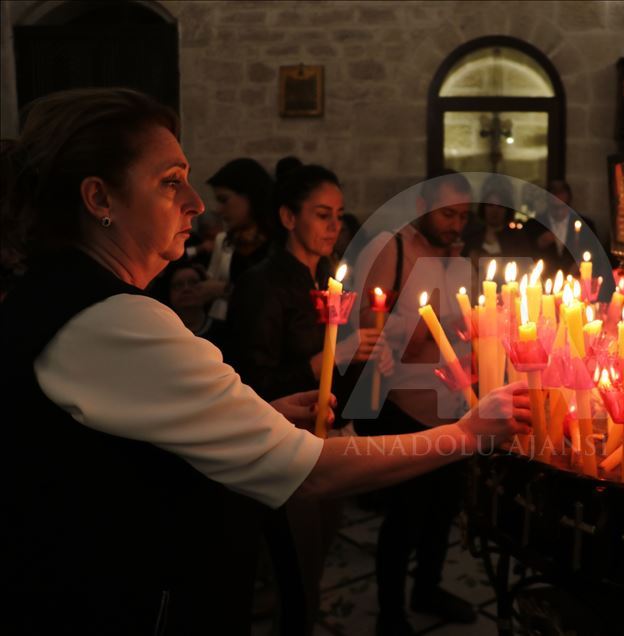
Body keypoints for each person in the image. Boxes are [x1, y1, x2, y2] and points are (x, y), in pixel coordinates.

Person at [2, 88, 531, 635]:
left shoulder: (64, 295)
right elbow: (311, 473)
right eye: (169, 181)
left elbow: (132, 448)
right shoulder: (112, 320)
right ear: (99, 199)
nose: (196, 202)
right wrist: (468, 433)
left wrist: (258, 417)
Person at [228, 163, 394, 633]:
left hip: (329, 439)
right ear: (287, 217)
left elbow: (333, 367)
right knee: (295, 571)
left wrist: (364, 359)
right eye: (322, 214)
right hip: (284, 446)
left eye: (339, 215)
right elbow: (248, 381)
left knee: (317, 555)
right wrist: (323, 361)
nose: (333, 227)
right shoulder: (263, 284)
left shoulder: (325, 282)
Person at [353, 170, 477, 636]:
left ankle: (428, 588)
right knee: (404, 517)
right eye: (448, 213)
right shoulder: (394, 248)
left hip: (450, 408)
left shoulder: (454, 255)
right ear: (423, 206)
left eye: (462, 216)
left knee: (443, 510)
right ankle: (390, 612)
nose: (455, 224)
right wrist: (426, 323)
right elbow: (373, 335)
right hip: (403, 408)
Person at [201, 157, 275, 323]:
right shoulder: (236, 241)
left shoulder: (278, 245)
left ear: (250, 196)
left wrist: (225, 290)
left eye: (224, 200)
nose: (218, 210)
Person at [524, 179, 597, 277]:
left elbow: (595, 255)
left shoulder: (586, 226)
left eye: (563, 207)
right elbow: (523, 256)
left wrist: (580, 263)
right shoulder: (533, 225)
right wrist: (538, 244)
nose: (559, 212)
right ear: (548, 203)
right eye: (555, 208)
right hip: (544, 281)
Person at [462, 175, 531, 267]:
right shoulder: (472, 236)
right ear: (483, 208)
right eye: (490, 205)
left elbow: (524, 264)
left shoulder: (517, 237)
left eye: (500, 206)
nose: (495, 211)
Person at [152, 259, 224, 345]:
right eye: (178, 285)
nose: (186, 289)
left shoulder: (225, 331)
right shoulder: (161, 334)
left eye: (193, 282)